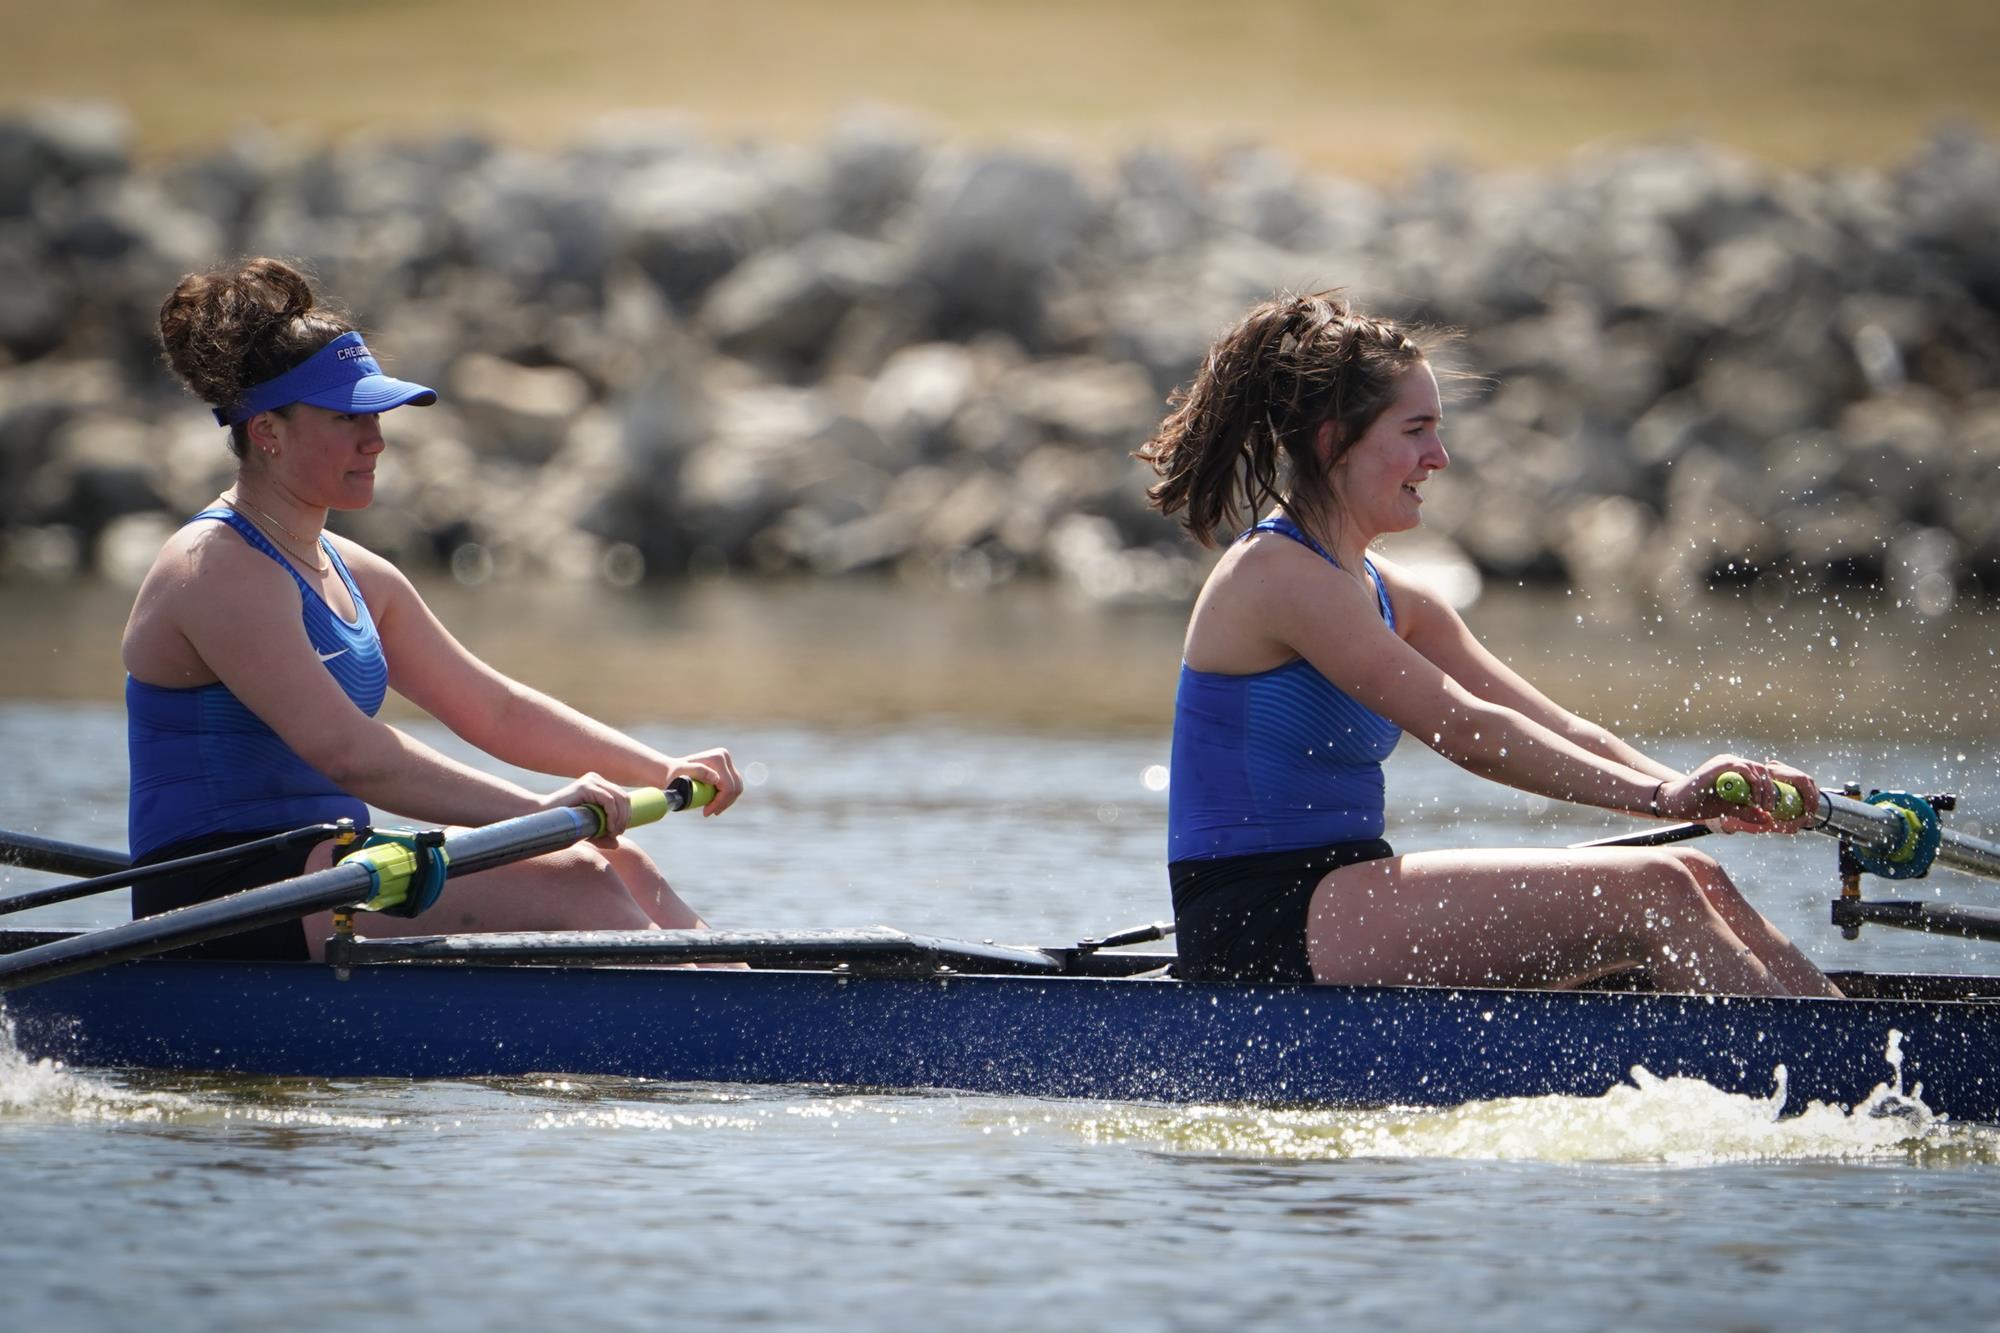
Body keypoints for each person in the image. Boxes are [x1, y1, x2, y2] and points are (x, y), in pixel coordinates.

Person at [1136, 289, 1841, 998]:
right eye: (1415, 429)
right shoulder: (1276, 575)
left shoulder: (1395, 597)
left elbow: (1560, 727)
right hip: (1256, 922)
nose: (1438, 456)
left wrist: (1700, 792)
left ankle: (1865, 1074)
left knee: (1701, 876)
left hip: (1341, 898)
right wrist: (1663, 797)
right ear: (1333, 442)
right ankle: (1825, 1094)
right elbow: (1465, 728)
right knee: (1656, 889)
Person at [124, 257, 743, 961]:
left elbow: (496, 709)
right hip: (217, 901)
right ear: (269, 431)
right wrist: (537, 814)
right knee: (578, 879)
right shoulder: (214, 568)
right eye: (347, 417)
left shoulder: (357, 573)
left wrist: (657, 768)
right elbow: (350, 754)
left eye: (377, 416)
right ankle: (710, 1038)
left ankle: (748, 1005)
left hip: (322, 870)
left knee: (625, 863)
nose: (376, 439)